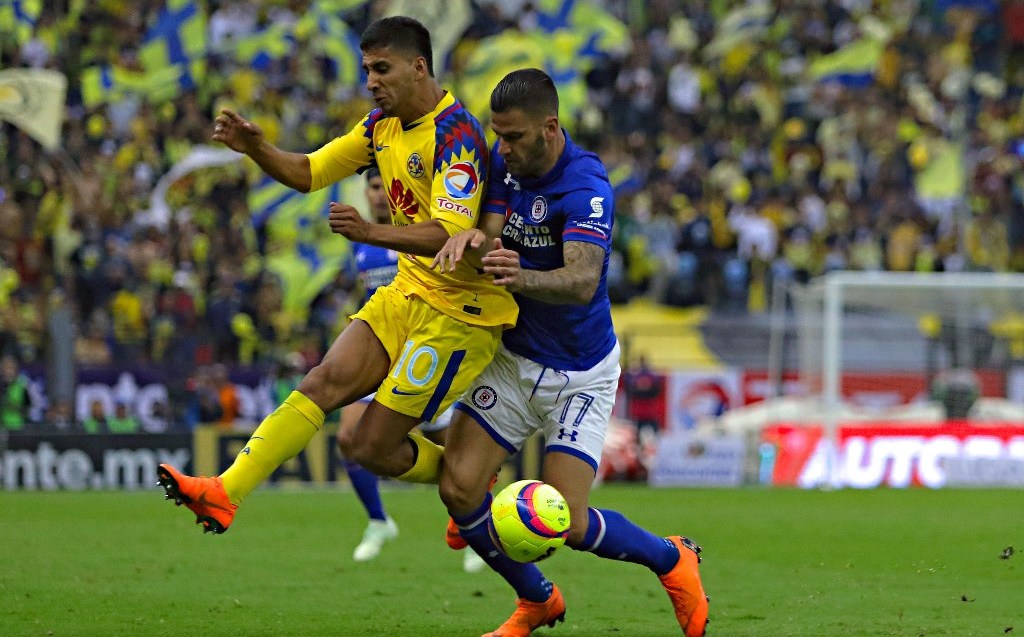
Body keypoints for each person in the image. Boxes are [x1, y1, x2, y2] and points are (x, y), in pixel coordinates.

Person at [156, 16, 516, 536]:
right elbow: (310, 172)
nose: (371, 82)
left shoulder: (456, 135)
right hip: (408, 291)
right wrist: (256, 148)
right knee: (321, 384)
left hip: (459, 314)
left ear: (419, 67)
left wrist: (369, 232)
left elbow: (449, 233)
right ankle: (223, 492)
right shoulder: (379, 126)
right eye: (367, 70)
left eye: (382, 69)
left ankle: (470, 480)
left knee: (369, 446)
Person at [431, 69, 709, 637]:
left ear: (550, 128)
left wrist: (519, 277)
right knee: (458, 488)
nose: (503, 148)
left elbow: (582, 280)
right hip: (513, 361)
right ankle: (536, 600)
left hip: (581, 372)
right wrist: (473, 241)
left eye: (514, 137)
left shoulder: (586, 187)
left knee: (570, 523)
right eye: (498, 135)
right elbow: (487, 228)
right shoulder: (505, 162)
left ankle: (671, 558)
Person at [337, 166, 485, 572]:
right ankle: (378, 521)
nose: (377, 195)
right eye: (371, 187)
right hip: (383, 352)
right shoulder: (360, 244)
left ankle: (479, 527)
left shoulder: (422, 233)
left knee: (458, 457)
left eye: (382, 186)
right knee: (348, 436)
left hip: (426, 355)